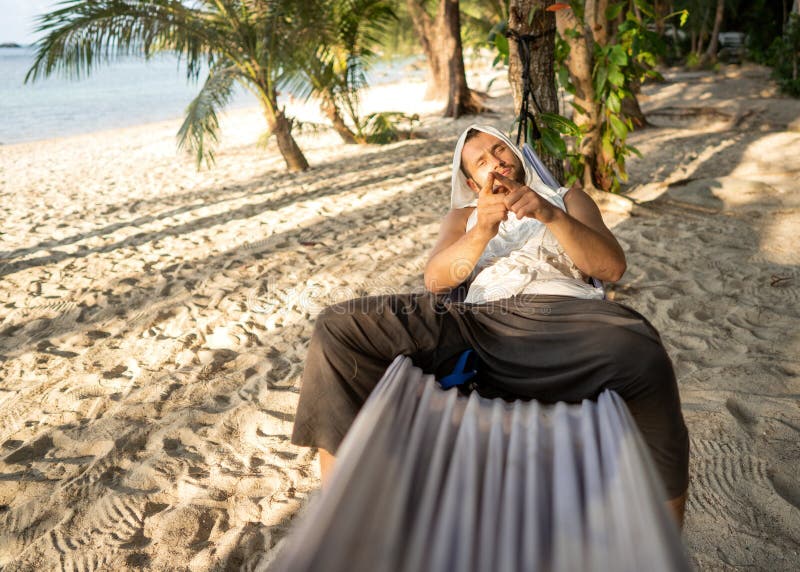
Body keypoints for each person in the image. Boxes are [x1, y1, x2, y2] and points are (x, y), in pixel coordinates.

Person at [290, 124, 690, 526]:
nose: (496, 161)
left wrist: (549, 214)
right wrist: (481, 230)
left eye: (500, 150)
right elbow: (436, 281)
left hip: (566, 315)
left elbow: (610, 267)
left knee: (643, 353)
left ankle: (666, 540)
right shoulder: (464, 216)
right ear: (471, 181)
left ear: (516, 155)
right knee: (338, 327)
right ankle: (340, 515)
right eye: (481, 161)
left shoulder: (567, 199)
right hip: (475, 324)